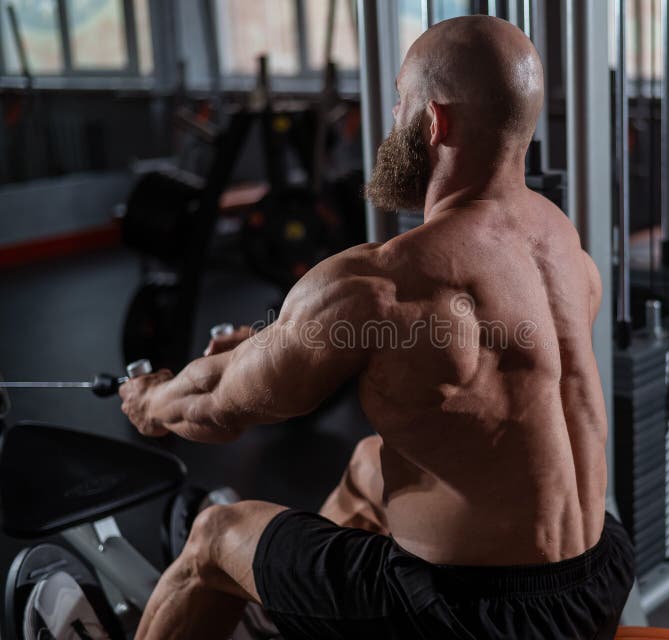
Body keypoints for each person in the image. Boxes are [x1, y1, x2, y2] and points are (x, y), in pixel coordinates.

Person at [120, 15, 635, 640]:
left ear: (434, 122)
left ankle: (246, 596)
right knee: (370, 464)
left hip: (466, 618)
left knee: (212, 536)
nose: (394, 118)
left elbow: (215, 406)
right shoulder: (567, 254)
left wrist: (149, 402)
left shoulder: (385, 281)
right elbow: (480, 377)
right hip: (600, 577)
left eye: (399, 101)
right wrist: (273, 346)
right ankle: (287, 619)